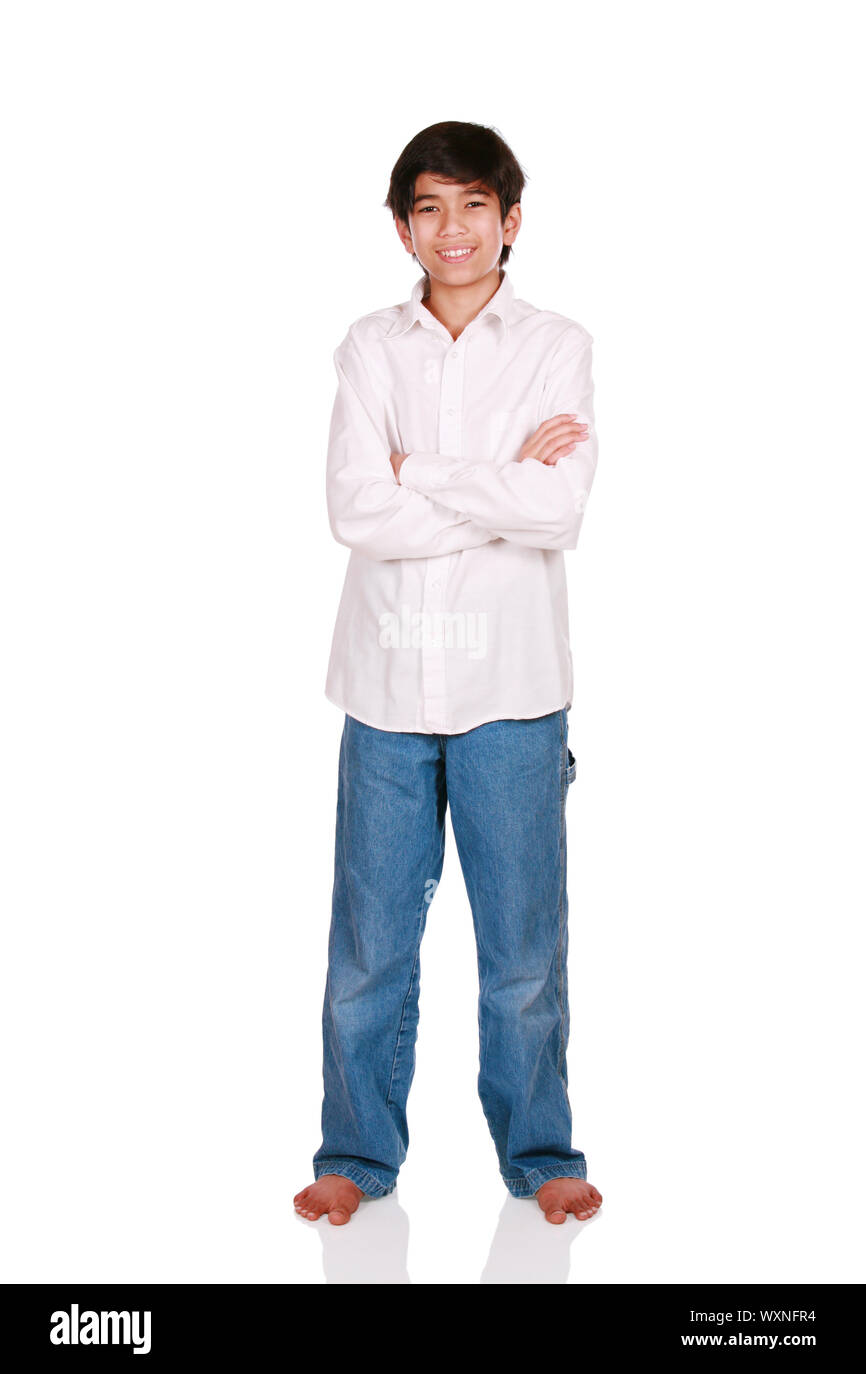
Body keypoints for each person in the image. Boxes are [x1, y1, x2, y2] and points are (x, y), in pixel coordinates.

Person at [294, 121, 603, 1228]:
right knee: (369, 948)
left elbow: (553, 509)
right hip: (381, 690)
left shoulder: (555, 345)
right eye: (430, 207)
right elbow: (351, 511)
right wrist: (488, 485)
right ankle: (354, 1156)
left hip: (512, 694)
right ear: (401, 225)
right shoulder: (368, 349)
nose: (453, 228)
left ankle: (540, 1152)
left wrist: (415, 470)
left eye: (475, 206)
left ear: (509, 222)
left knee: (521, 951)